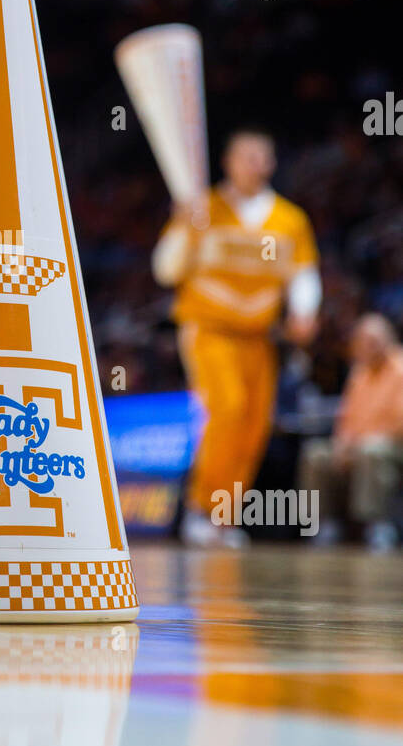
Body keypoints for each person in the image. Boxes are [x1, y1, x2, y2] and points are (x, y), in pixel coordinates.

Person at [153, 130, 321, 546]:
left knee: (253, 425)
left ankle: (223, 518)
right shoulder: (202, 209)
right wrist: (180, 225)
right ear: (228, 162)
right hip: (209, 331)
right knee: (227, 407)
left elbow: (302, 273)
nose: (256, 164)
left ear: (273, 163)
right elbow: (166, 271)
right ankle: (200, 507)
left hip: (259, 335)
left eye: (264, 157)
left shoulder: (289, 219)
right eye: (247, 156)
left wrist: (304, 311)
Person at [299, 314, 403, 550]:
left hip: (394, 446)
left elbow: (399, 423)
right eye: (363, 341)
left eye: (374, 340)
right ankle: (323, 525)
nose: (368, 346)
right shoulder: (360, 373)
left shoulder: (400, 369)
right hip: (359, 445)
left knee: (371, 451)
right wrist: (342, 443)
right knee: (316, 454)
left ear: (389, 339)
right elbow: (346, 418)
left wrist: (359, 442)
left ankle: (374, 525)